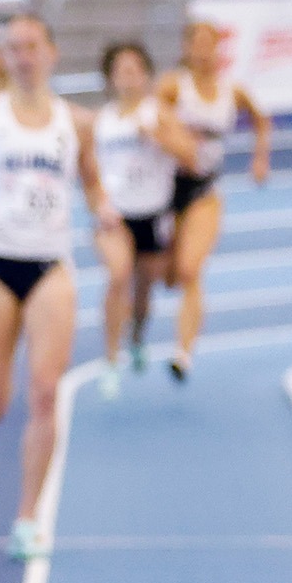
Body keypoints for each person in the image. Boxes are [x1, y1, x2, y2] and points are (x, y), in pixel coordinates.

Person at [0, 13, 112, 560]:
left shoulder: (77, 123)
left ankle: (28, 519)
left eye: (32, 46)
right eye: (14, 48)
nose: (24, 56)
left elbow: (93, 183)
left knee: (46, 392)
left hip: (50, 268)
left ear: (52, 53)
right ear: (5, 57)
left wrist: (104, 212)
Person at [156, 20, 270, 383]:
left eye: (210, 43)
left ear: (219, 49)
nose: (204, 51)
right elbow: (149, 119)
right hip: (165, 190)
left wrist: (260, 158)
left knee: (190, 270)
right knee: (167, 276)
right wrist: (177, 141)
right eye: (198, 43)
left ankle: (183, 353)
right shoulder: (173, 86)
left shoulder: (231, 91)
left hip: (205, 190)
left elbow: (261, 120)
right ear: (187, 47)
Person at [92, 41, 196, 397]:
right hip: (116, 216)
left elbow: (190, 156)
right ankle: (110, 360)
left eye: (135, 70)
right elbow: (89, 171)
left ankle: (136, 336)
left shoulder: (158, 113)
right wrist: (99, 202)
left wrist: (158, 137)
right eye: (121, 71)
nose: (128, 77)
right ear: (110, 77)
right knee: (118, 275)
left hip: (152, 215)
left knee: (143, 291)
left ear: (147, 75)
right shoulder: (101, 121)